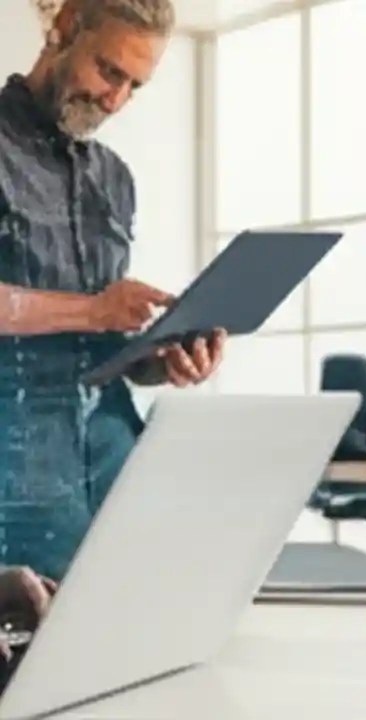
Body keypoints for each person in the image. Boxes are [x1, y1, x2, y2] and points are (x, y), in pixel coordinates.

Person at [0, 0, 226, 581]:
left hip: (116, 458)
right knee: (32, 659)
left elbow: (104, 347)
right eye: (108, 71)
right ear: (66, 26)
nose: (115, 100)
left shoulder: (114, 178)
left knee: (143, 638)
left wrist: (161, 357)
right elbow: (91, 314)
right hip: (16, 476)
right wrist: (95, 308)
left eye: (135, 86)